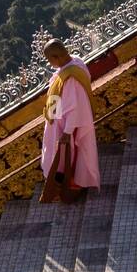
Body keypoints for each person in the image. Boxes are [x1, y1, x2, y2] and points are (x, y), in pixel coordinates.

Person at [39, 39, 100, 203]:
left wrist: (67, 132)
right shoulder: (76, 62)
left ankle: (67, 186)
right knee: (60, 155)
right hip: (57, 119)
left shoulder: (71, 77)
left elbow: (74, 107)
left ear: (56, 57)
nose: (50, 64)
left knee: (65, 157)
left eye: (49, 60)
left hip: (65, 126)